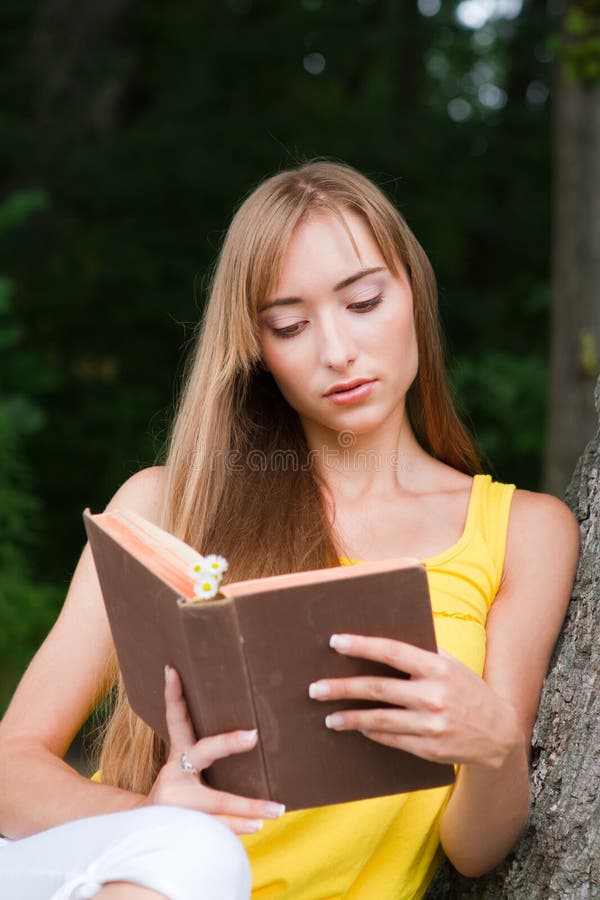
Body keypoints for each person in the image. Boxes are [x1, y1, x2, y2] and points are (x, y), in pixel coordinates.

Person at [0, 159, 580, 900]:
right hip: (126, 879)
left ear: (414, 293)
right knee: (196, 859)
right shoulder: (164, 507)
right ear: (259, 351)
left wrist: (494, 747)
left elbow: (472, 851)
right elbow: (12, 768)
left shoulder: (524, 530)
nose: (336, 351)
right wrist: (152, 819)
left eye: (363, 302)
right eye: (290, 325)